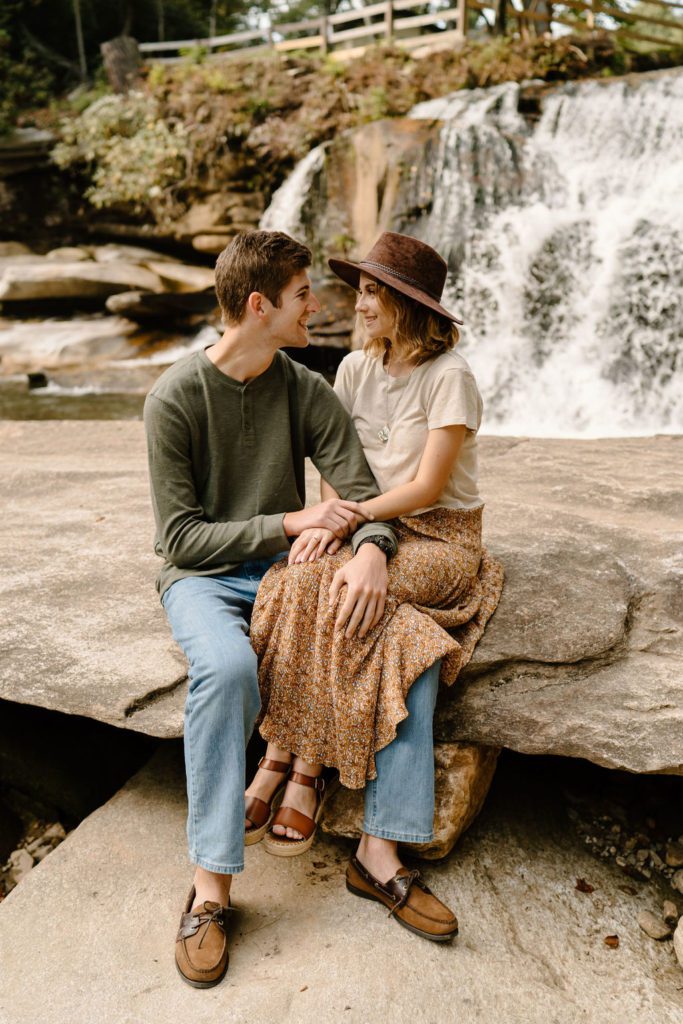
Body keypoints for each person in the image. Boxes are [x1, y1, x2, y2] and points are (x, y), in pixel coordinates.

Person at [144, 230, 401, 989]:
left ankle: (308, 781)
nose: (315, 308)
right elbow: (180, 539)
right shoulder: (173, 399)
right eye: (301, 296)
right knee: (226, 671)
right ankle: (211, 891)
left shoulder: (304, 388)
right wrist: (290, 522)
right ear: (259, 306)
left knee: (368, 620)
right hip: (202, 578)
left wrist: (371, 550)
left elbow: (361, 499)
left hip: (290, 575)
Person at [247, 231, 504, 940]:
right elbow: (337, 462)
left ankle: (295, 767)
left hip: (440, 539)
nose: (358, 305)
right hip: (367, 529)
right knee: (307, 585)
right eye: (359, 291)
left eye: (371, 293)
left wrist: (357, 526)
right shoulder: (355, 368)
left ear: (406, 304)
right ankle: (363, 840)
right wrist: (336, 524)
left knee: (339, 593)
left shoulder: (450, 376)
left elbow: (426, 487)